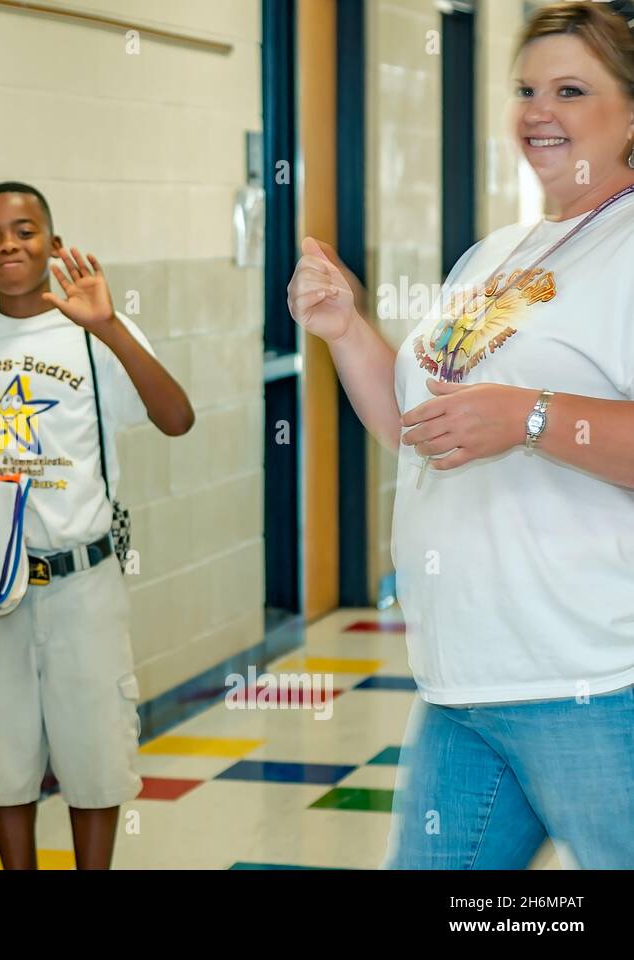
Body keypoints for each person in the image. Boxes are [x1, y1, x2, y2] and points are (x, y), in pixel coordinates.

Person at [289, 0, 634, 869]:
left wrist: (530, 417)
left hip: (593, 681)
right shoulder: (497, 255)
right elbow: (419, 435)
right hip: (462, 686)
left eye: (570, 89)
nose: (538, 112)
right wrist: (346, 329)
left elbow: (511, 420)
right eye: (525, 88)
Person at [0, 182, 194, 869]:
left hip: (81, 580)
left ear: (55, 245)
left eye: (26, 230)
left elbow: (176, 418)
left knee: (95, 756)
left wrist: (110, 326)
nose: (10, 245)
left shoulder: (92, 336)